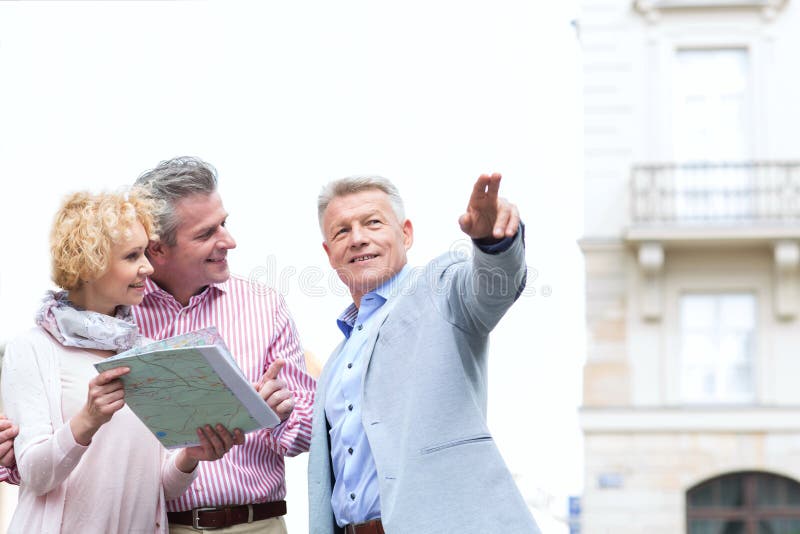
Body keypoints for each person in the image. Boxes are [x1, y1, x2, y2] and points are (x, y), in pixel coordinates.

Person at [0, 157, 315, 533]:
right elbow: (38, 464)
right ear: (157, 249)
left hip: (252, 522)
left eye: (223, 224)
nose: (228, 241)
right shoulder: (74, 334)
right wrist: (21, 451)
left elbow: (156, 478)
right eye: (204, 233)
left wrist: (200, 452)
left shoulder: (254, 310)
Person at [308, 173, 541, 533]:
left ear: (406, 233)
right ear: (329, 252)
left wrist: (493, 244)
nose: (357, 239)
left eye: (372, 223)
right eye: (341, 231)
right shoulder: (338, 361)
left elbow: (491, 288)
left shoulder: (440, 290)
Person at [0, 190, 240, 533]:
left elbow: (160, 489)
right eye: (132, 256)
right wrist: (88, 420)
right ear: (89, 265)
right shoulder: (33, 349)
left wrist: (189, 456)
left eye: (145, 252)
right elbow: (36, 476)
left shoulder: (146, 351)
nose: (148, 267)